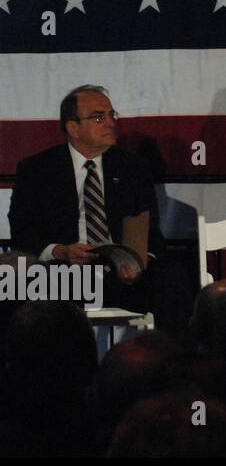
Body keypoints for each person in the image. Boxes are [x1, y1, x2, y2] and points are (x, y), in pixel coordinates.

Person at [7, 84, 191, 334]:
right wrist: (61, 251)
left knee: (173, 275)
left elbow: (151, 235)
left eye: (111, 115)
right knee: (11, 279)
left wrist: (140, 261)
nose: (110, 123)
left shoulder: (133, 168)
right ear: (73, 128)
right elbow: (22, 232)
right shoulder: (36, 169)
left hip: (121, 275)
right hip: (65, 274)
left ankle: (169, 365)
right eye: (98, 117)